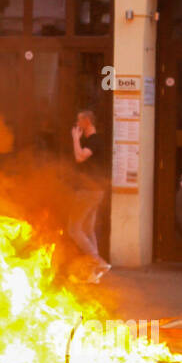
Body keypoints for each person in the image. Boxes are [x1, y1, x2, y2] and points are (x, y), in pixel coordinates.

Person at [68, 108, 110, 281]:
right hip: (95, 190)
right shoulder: (94, 141)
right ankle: (95, 271)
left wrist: (75, 139)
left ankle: (96, 260)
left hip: (88, 191)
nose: (77, 124)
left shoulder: (94, 141)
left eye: (79, 121)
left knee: (74, 228)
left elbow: (80, 157)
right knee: (87, 228)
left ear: (87, 122)